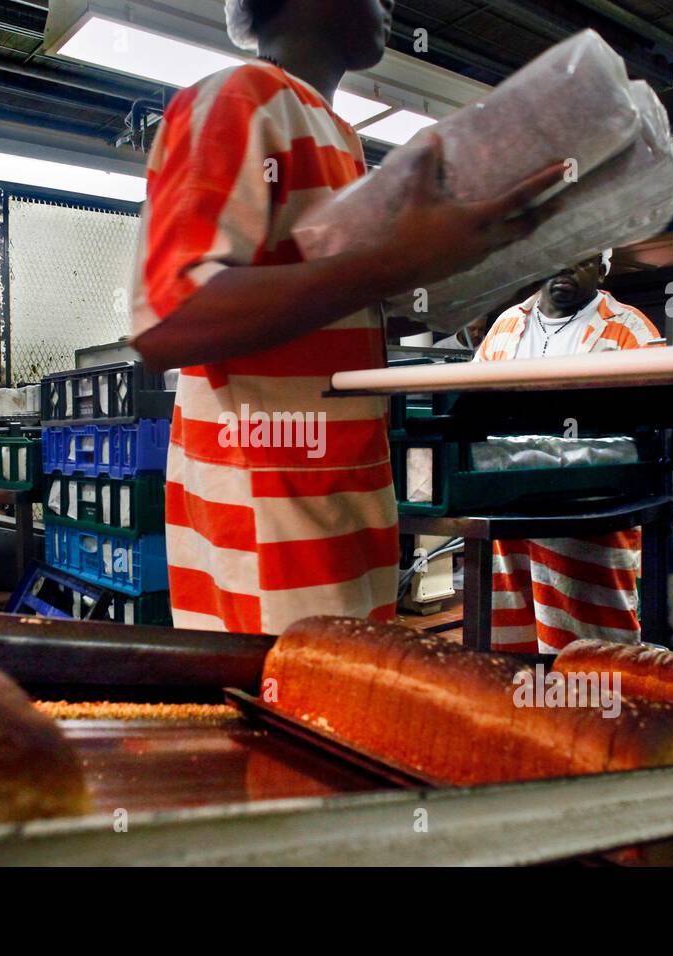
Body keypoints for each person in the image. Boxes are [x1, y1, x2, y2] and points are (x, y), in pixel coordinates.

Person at [129, 0, 565, 633]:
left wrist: (453, 270)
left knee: (340, 703)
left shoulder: (339, 139)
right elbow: (168, 318)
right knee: (290, 715)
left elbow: (323, 305)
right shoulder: (239, 96)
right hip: (267, 521)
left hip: (340, 503)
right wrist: (394, 261)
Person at [473, 250, 664, 653]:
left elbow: (652, 422)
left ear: (603, 268)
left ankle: (596, 711)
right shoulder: (508, 325)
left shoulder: (628, 328)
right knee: (511, 634)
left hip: (589, 508)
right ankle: (521, 709)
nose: (566, 269)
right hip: (506, 503)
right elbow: (472, 401)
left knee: (589, 640)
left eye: (583, 260)